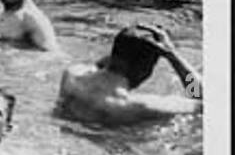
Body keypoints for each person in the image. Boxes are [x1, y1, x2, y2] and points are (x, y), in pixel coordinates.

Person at [57, 24, 202, 125]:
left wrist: (126, 45)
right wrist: (172, 55)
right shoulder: (139, 106)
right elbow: (202, 98)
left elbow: (100, 65)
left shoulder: (71, 77)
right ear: (145, 68)